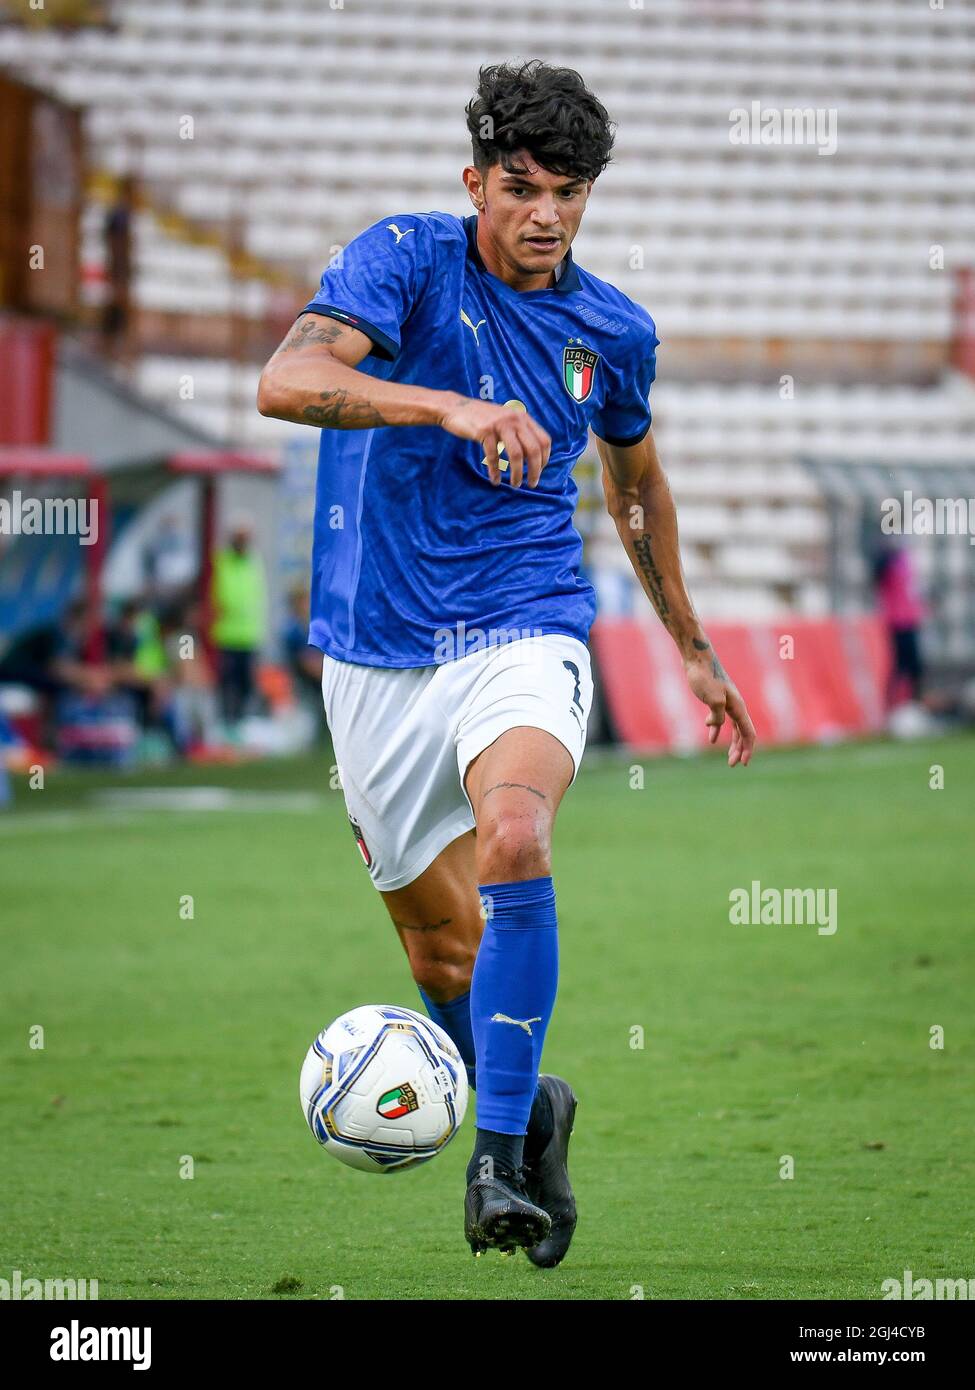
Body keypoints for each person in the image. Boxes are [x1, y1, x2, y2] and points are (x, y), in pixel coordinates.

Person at [257, 60, 755, 1264]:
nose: (545, 214)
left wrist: (690, 643)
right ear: (476, 180)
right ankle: (536, 1108)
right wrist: (448, 407)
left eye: (569, 193)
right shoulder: (403, 259)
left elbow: (634, 486)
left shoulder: (612, 332)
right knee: (441, 952)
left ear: (589, 197)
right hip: (374, 657)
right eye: (522, 188)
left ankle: (492, 1163)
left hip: (525, 627)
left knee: (517, 838)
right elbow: (288, 379)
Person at [210, 520, 266, 728]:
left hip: (249, 635)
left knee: (246, 684)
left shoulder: (254, 562)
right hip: (225, 634)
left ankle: (240, 724)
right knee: (226, 683)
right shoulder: (220, 562)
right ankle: (225, 724)